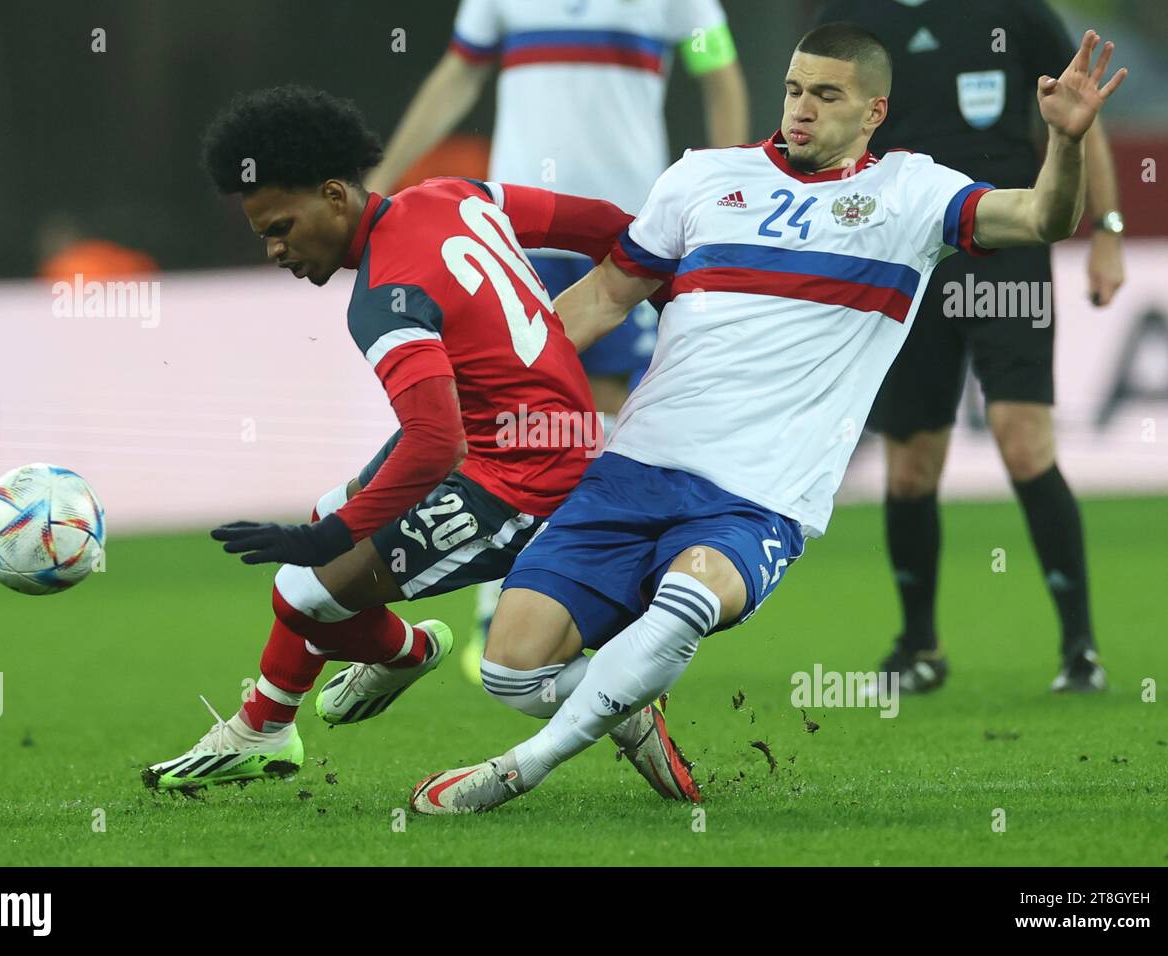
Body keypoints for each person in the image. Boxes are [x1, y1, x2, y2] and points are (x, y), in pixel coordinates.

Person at [407, 22, 1127, 814]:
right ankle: (625, 701)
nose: (802, 110)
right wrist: (487, 382)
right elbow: (604, 298)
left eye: (827, 95)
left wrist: (1063, 145)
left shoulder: (914, 195)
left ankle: (519, 769)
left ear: (875, 112)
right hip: (634, 470)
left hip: (759, 494)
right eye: (793, 90)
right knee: (512, 669)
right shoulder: (702, 179)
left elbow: (1042, 221)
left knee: (687, 600)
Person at [142, 85, 692, 800]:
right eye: (261, 236)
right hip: (523, 440)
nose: (275, 249)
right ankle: (264, 724)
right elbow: (611, 224)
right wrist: (675, 299)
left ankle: (428, 655)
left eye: (281, 226)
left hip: (517, 481)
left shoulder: (381, 298)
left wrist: (334, 538)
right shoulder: (454, 194)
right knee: (324, 520)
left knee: (303, 589)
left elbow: (434, 441)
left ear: (335, 195)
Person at [365, 0, 750, 682]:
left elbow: (718, 73)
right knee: (505, 417)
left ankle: (555, 591)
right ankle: (496, 601)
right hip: (515, 231)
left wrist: (724, 189)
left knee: (590, 424)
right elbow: (458, 75)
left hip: (627, 232)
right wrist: (383, 178)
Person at [813, 0, 1124, 694]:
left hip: (1007, 245)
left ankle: (1080, 648)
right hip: (902, 254)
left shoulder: (1016, 11)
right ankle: (920, 646)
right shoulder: (850, 16)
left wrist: (1106, 227)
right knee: (911, 466)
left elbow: (1079, 114)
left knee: (1023, 441)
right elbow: (813, 127)